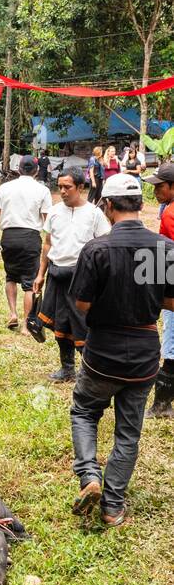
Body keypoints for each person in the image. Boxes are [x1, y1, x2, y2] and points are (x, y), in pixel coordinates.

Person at [69, 173, 174, 525]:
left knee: (84, 411)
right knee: (129, 432)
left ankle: (89, 477)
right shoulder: (163, 248)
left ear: (108, 206)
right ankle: (113, 507)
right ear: (141, 204)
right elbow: (171, 302)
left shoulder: (97, 249)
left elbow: (80, 306)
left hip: (102, 352)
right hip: (144, 353)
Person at [33, 170, 110, 382]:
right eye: (60, 186)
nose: (63, 191)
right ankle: (67, 369)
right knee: (61, 322)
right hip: (57, 275)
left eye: (68, 187)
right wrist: (41, 274)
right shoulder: (55, 212)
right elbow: (47, 244)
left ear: (81, 188)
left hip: (82, 278)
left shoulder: (94, 214)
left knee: (82, 323)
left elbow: (104, 246)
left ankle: (90, 371)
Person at [0, 155, 52, 331]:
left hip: (8, 236)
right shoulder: (42, 190)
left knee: (10, 276)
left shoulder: (5, 188)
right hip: (30, 237)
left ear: (18, 169)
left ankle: (13, 314)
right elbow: (48, 219)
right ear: (37, 170)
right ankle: (25, 325)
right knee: (29, 283)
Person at [145, 160, 174, 417]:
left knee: (171, 345)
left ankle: (162, 405)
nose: (156, 192)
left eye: (160, 187)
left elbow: (168, 254)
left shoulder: (169, 213)